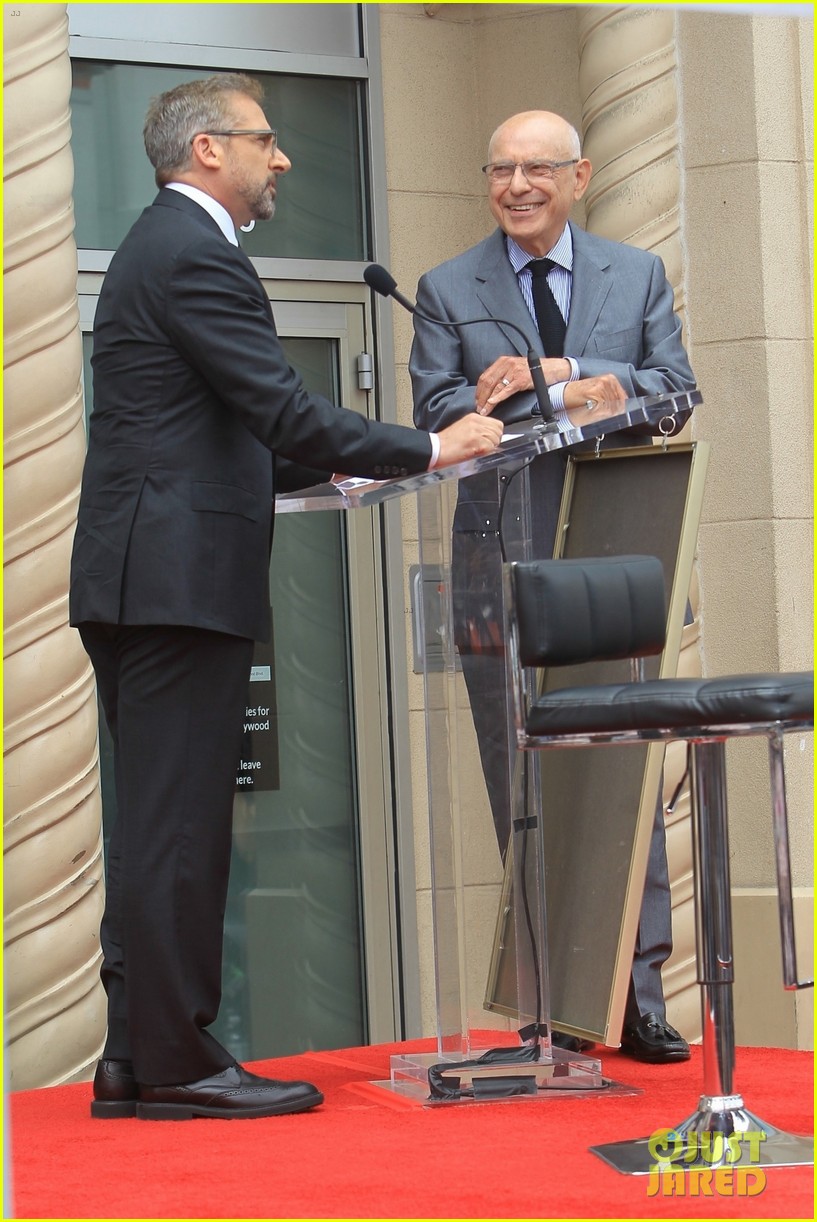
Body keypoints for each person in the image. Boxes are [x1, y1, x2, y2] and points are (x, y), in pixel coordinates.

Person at [69, 74, 503, 1122]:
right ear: (209, 150)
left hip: (151, 574)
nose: (285, 159)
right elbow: (275, 404)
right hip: (171, 583)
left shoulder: (163, 248)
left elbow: (209, 433)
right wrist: (428, 446)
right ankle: (175, 1063)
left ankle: (138, 1053)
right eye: (267, 141)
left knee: (159, 827)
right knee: (178, 832)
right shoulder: (193, 250)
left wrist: (343, 473)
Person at [410, 110, 696, 1064]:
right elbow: (445, 408)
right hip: (501, 562)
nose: (517, 183)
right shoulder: (446, 288)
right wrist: (573, 396)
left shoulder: (637, 272)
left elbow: (672, 389)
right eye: (500, 167)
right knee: (521, 776)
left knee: (624, 772)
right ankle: (548, 998)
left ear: (579, 176)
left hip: (613, 553)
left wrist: (567, 374)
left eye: (537, 167)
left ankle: (638, 994)